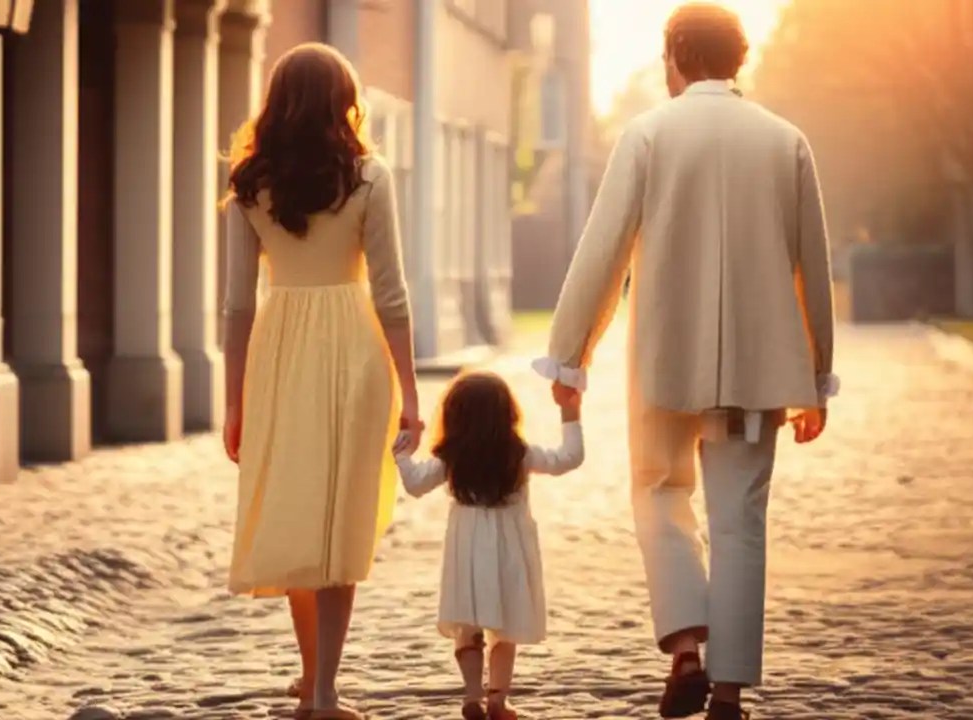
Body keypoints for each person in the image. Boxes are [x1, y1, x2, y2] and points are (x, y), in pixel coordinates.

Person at [534, 4, 838, 720]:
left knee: (659, 491)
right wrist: (816, 378)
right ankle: (728, 693)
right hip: (761, 372)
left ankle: (686, 652)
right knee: (740, 521)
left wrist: (569, 359)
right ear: (737, 59)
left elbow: (601, 253)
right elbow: (812, 270)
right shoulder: (786, 141)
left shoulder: (647, 135)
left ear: (676, 54)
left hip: (666, 365)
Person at [221, 43, 422, 720]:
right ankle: (326, 690)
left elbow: (237, 307)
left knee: (298, 513)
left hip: (279, 353)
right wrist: (413, 394)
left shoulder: (249, 183)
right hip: (355, 350)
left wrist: (232, 401)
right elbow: (392, 295)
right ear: (344, 100)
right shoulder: (369, 175)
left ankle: (314, 681)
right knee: (339, 523)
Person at [394, 372, 585, 720]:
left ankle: (471, 695)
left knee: (467, 624)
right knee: (505, 622)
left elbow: (415, 484)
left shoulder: (452, 456)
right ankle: (497, 697)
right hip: (510, 545)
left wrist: (403, 450)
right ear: (507, 413)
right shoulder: (519, 453)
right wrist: (570, 412)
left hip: (466, 546)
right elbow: (568, 458)